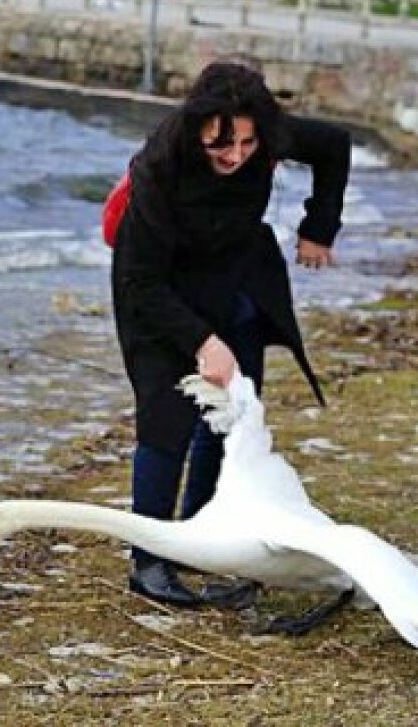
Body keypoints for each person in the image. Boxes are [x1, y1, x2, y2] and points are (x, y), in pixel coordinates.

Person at [110, 61, 351, 607]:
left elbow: (335, 145)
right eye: (221, 143)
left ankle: (206, 537)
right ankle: (149, 561)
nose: (235, 154)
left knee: (232, 416)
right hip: (157, 290)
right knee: (166, 419)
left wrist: (319, 227)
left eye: (246, 142)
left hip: (236, 276)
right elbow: (140, 279)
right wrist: (202, 342)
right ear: (197, 126)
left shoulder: (267, 134)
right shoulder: (158, 166)